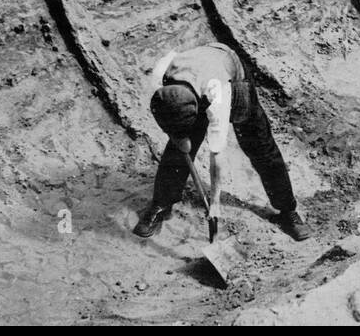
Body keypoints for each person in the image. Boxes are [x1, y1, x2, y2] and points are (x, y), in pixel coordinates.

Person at [132, 42, 308, 241]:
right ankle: (161, 204)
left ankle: (287, 210)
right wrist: (179, 138)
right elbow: (170, 121)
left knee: (260, 145)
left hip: (230, 73)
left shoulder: (218, 97)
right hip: (196, 77)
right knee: (177, 150)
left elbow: (217, 154)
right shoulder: (161, 78)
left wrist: (214, 204)